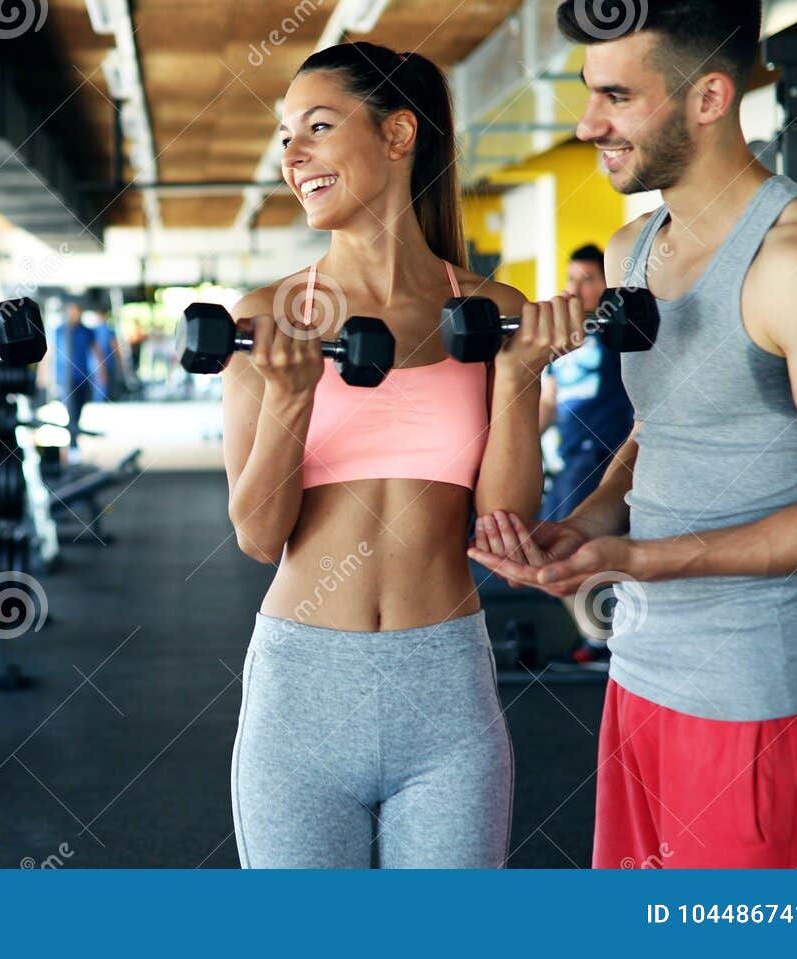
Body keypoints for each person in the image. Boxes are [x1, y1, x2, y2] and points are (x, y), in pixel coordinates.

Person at [471, 0, 797, 869]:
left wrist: (642, 559)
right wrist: (592, 523)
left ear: (710, 97)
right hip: (641, 677)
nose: (587, 123)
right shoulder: (632, 248)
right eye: (589, 92)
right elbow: (660, 429)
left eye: (616, 97)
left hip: (761, 701)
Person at [223, 41, 585, 868]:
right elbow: (257, 534)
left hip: (444, 683)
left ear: (397, 135)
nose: (293, 154)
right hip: (302, 688)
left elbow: (503, 521)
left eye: (318, 126)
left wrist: (520, 373)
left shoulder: (491, 311)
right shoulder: (267, 319)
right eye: (285, 136)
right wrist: (290, 396)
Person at [539, 243, 634, 667]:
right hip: (571, 459)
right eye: (571, 279)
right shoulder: (561, 340)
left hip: (607, 458)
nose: (577, 289)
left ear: (606, 284)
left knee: (573, 551)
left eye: (588, 279)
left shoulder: (620, 333)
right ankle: (599, 639)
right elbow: (549, 402)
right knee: (547, 552)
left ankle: (605, 643)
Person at [57, 301, 98, 458]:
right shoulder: (59, 331)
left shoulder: (86, 331)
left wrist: (101, 371)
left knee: (78, 408)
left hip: (82, 376)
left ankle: (73, 441)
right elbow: (50, 353)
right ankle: (73, 444)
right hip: (64, 378)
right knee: (71, 409)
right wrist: (42, 375)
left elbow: (95, 350)